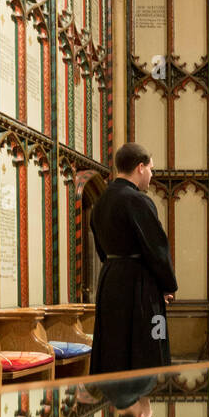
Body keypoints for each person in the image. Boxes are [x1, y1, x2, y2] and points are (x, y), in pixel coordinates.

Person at [89, 143, 178, 378]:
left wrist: (116, 265)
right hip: (140, 285)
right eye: (150, 169)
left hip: (109, 282)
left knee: (114, 350)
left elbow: (100, 247)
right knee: (147, 348)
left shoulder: (101, 202)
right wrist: (167, 285)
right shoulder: (137, 200)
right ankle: (143, 411)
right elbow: (157, 248)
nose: (151, 175)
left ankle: (119, 410)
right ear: (140, 167)